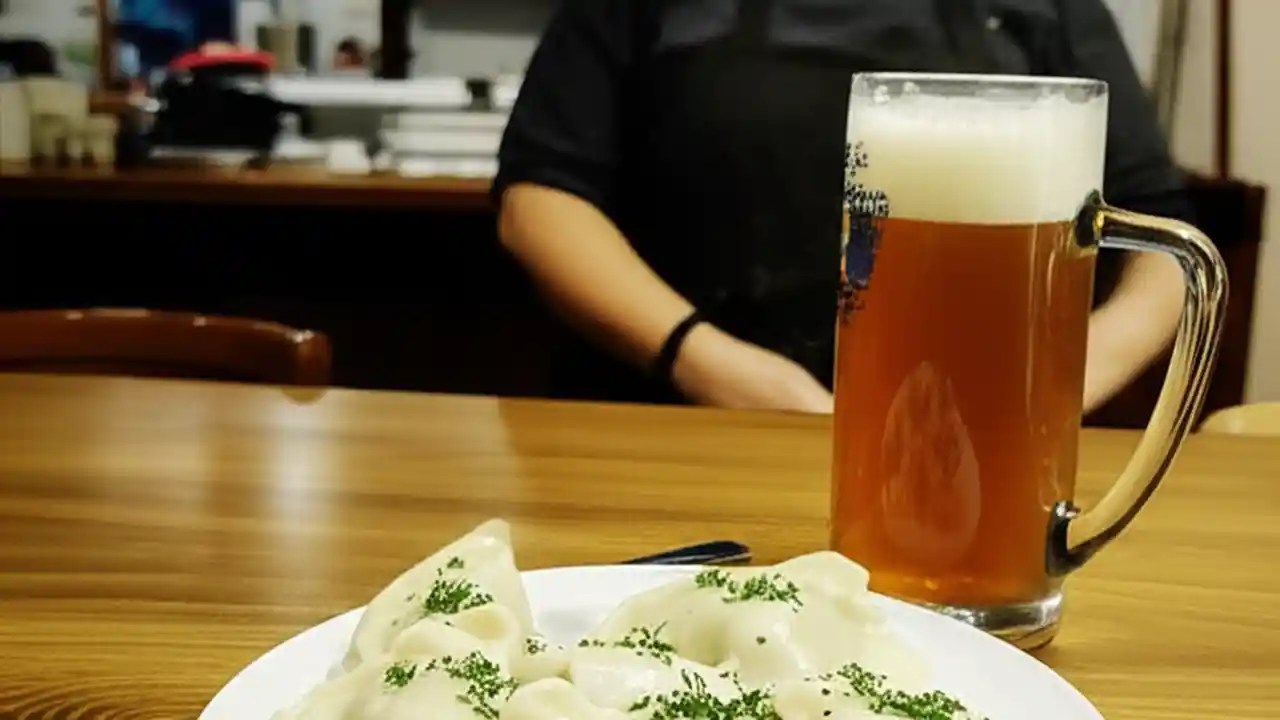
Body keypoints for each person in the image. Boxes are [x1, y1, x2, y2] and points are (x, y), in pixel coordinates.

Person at [493, 0, 1190, 415]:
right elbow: (542, 198)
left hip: (954, 445)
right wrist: (705, 362)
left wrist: (1049, 393)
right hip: (671, 422)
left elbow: (1164, 240)